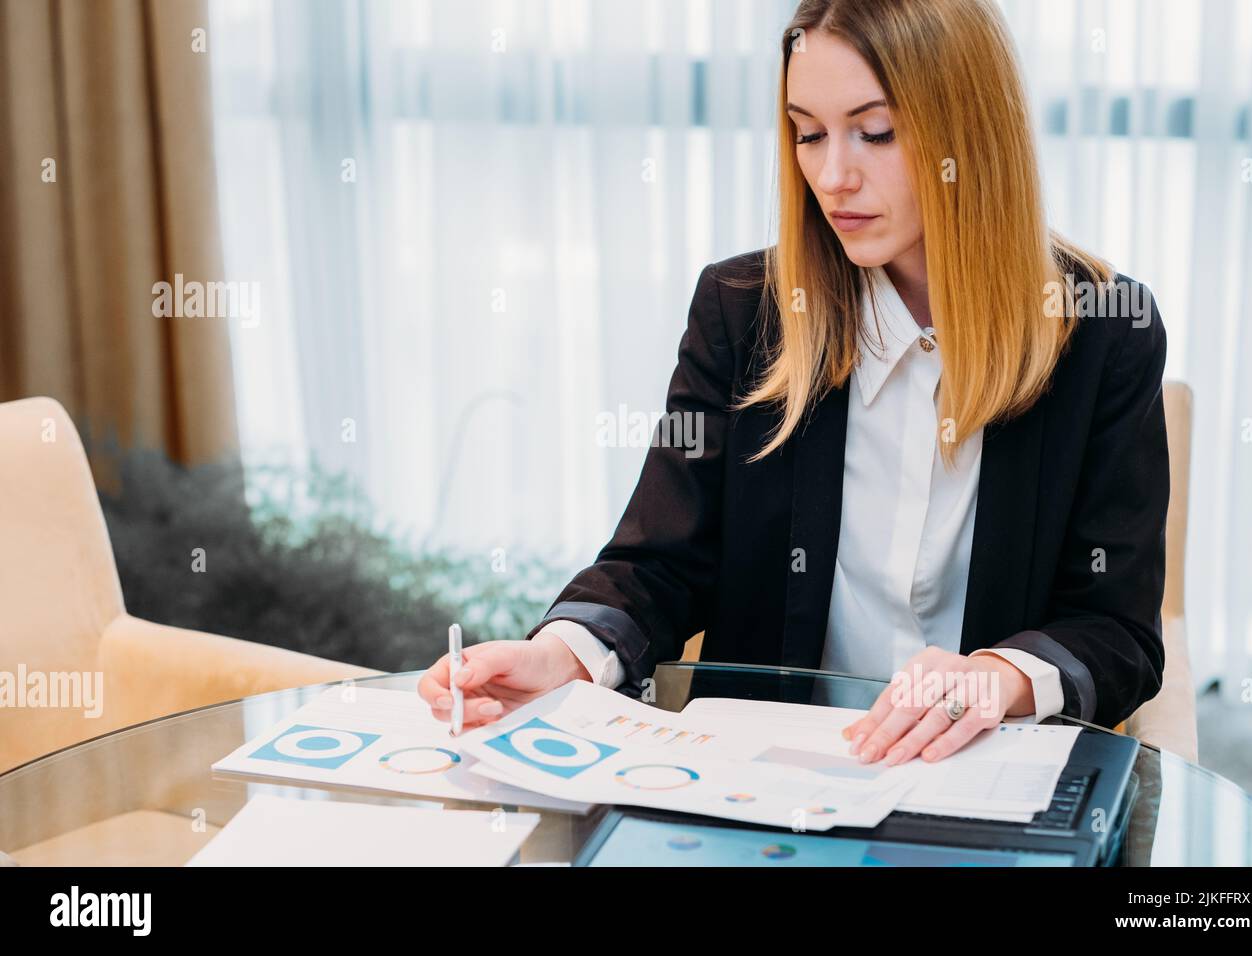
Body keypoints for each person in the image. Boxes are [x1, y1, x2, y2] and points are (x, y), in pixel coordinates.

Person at [418, 0, 1168, 768]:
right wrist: (565, 655)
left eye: (876, 132)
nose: (832, 176)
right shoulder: (744, 313)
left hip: (979, 778)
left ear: (971, 132)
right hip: (766, 784)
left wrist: (998, 677)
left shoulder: (1104, 333)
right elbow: (660, 562)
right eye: (808, 134)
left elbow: (1117, 630)